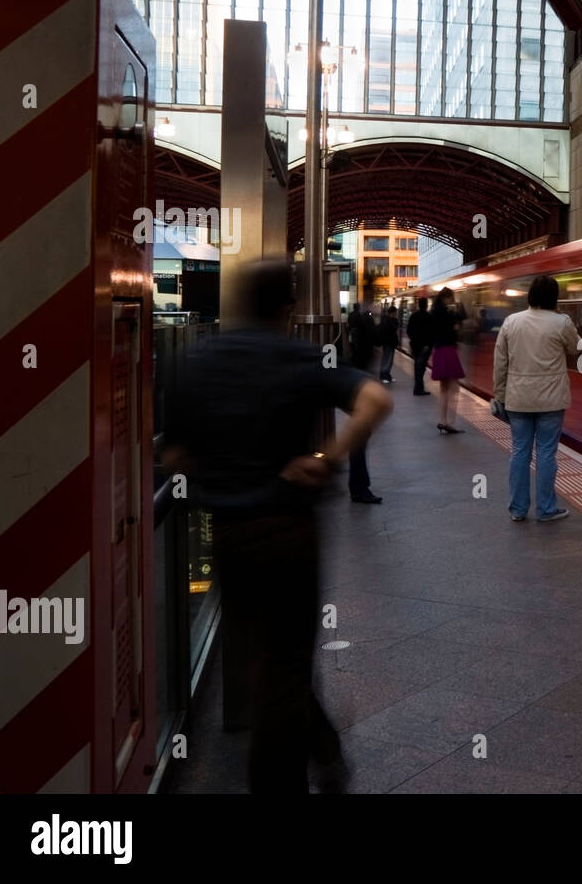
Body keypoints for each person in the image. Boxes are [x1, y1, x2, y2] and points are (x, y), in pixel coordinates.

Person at [161, 261, 393, 793]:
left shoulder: (194, 360)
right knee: (285, 665)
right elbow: (376, 399)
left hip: (229, 535)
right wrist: (327, 458)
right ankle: (289, 776)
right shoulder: (300, 356)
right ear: (287, 308)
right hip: (288, 532)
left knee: (267, 656)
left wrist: (217, 470)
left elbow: (175, 456)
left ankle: (325, 749)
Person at [493, 274, 581, 522]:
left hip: (518, 398)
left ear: (530, 295)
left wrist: (499, 394)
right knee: (546, 454)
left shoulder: (511, 322)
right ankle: (546, 510)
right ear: (554, 297)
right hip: (551, 400)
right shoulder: (561, 322)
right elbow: (576, 347)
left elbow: (500, 363)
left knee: (520, 452)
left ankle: (518, 510)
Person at [345, 302, 383, 502]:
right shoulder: (367, 323)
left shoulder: (353, 326)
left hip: (355, 380)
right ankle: (359, 488)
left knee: (360, 434)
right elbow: (378, 339)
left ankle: (359, 486)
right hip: (362, 384)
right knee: (360, 434)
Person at [429, 287, 467, 433]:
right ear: (447, 297)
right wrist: (458, 306)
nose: (452, 300)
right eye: (451, 298)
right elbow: (460, 321)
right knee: (454, 388)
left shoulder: (434, 311)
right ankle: (451, 422)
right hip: (448, 350)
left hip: (438, 350)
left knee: (444, 389)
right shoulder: (447, 312)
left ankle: (442, 420)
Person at [405, 296, 433, 396]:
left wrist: (414, 340)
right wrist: (428, 344)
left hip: (416, 346)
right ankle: (418, 389)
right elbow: (431, 333)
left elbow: (408, 331)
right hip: (425, 347)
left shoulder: (413, 316)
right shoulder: (428, 317)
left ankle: (419, 388)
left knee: (417, 367)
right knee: (421, 368)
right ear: (426, 305)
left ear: (418, 305)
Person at [377, 305, 399, 383]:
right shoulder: (386, 320)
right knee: (386, 360)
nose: (396, 314)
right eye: (395, 312)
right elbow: (389, 330)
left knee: (390, 361)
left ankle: (388, 376)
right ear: (392, 313)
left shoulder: (392, 320)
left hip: (391, 343)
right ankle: (382, 376)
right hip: (387, 343)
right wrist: (395, 325)